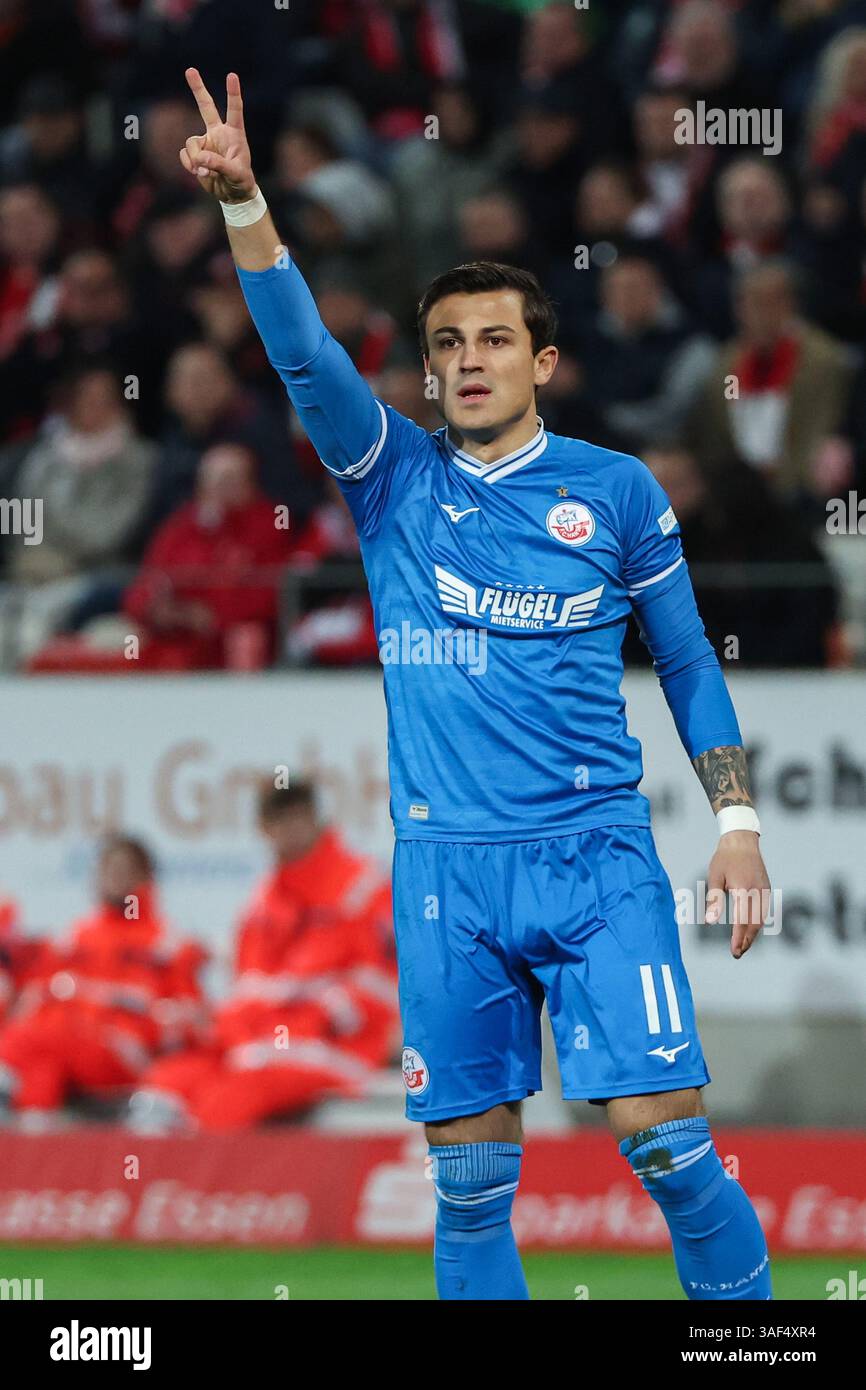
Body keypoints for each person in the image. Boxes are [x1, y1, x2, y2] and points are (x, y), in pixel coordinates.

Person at [178, 67, 774, 1302]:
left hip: (592, 852)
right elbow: (302, 358)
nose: (465, 360)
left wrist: (735, 822)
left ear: (542, 360)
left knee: (665, 1143)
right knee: (466, 1187)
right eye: (445, 342)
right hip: (446, 867)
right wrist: (247, 205)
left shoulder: (614, 492)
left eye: (492, 339)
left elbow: (683, 657)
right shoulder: (391, 478)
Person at [128, 781, 396, 1133]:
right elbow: (249, 991)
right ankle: (156, 1184)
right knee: (163, 1086)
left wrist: (307, 1018)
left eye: (299, 817)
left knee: (226, 1102)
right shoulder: (263, 903)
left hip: (339, 1046)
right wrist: (226, 1027)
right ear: (265, 829)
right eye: (280, 820)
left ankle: (199, 1185)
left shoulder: (362, 886)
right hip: (263, 1044)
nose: (291, 829)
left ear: (315, 818)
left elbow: (382, 989)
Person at [0, 836, 206, 1127]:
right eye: (106, 869)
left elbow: (190, 1021)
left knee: (29, 1039)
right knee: (42, 1071)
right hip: (69, 1048)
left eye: (122, 870)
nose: (112, 879)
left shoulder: (168, 942)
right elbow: (38, 996)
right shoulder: (75, 937)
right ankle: (35, 1140)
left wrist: (146, 1029)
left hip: (126, 1055)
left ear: (145, 877)